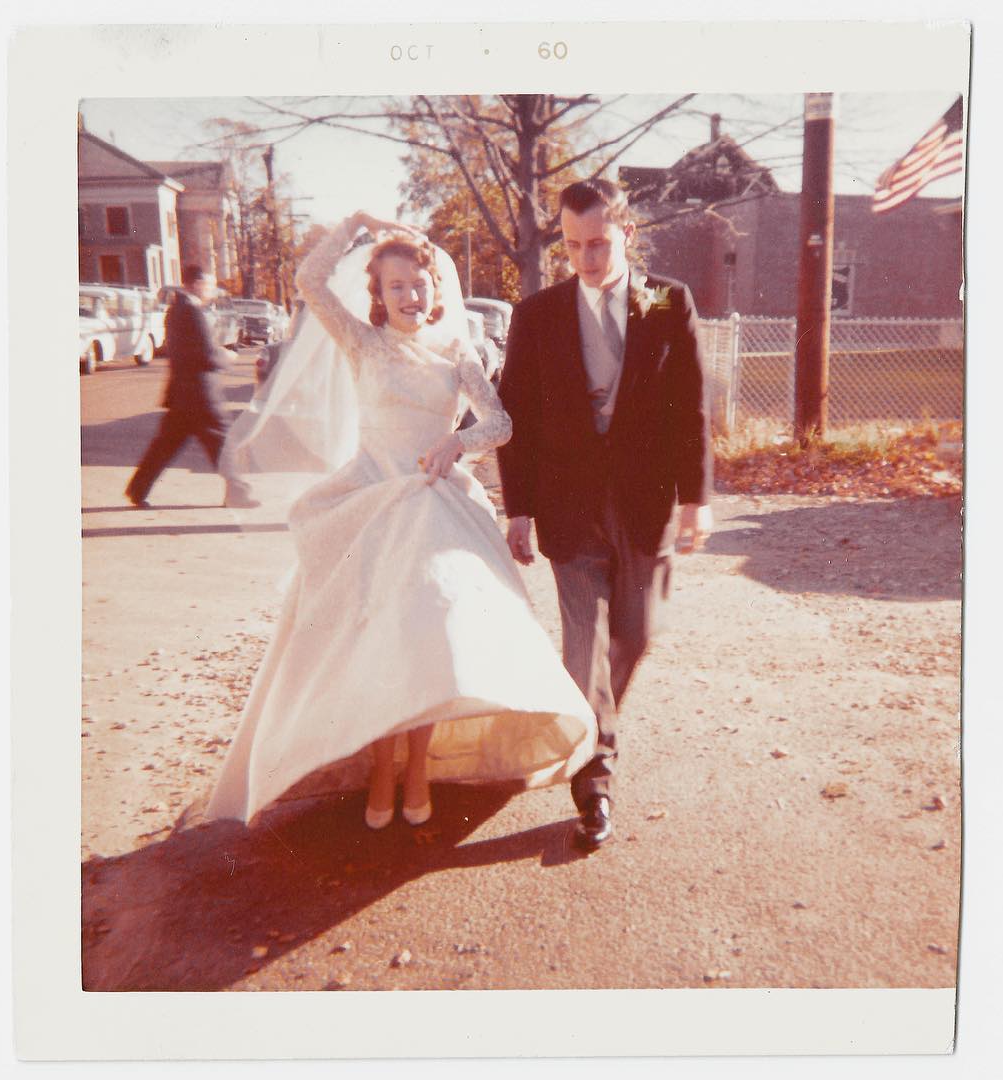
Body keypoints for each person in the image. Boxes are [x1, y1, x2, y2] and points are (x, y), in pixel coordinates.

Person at [204, 211, 596, 830]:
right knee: (378, 646)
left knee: (429, 645)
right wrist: (356, 224)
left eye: (418, 284)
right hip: (370, 504)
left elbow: (500, 423)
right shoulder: (362, 342)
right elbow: (309, 281)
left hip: (436, 506)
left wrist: (457, 443)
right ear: (379, 294)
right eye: (396, 287)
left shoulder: (459, 352)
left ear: (435, 287)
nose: (410, 296)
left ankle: (416, 768)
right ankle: (381, 768)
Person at [497, 178, 713, 852]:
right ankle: (595, 781)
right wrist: (518, 509)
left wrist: (697, 499)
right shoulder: (537, 314)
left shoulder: (669, 301)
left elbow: (692, 405)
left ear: (627, 234)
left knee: (637, 633)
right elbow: (516, 416)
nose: (585, 258)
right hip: (568, 505)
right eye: (572, 245)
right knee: (584, 644)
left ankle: (588, 717)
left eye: (598, 243)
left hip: (646, 502)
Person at [125, 265, 258, 509]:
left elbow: (189, 350)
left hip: (182, 394)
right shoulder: (192, 312)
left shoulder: (176, 309)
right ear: (197, 284)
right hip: (201, 394)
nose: (212, 290)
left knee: (165, 445)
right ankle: (238, 494)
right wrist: (226, 357)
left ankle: (137, 489)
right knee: (222, 443)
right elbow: (204, 355)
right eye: (210, 285)